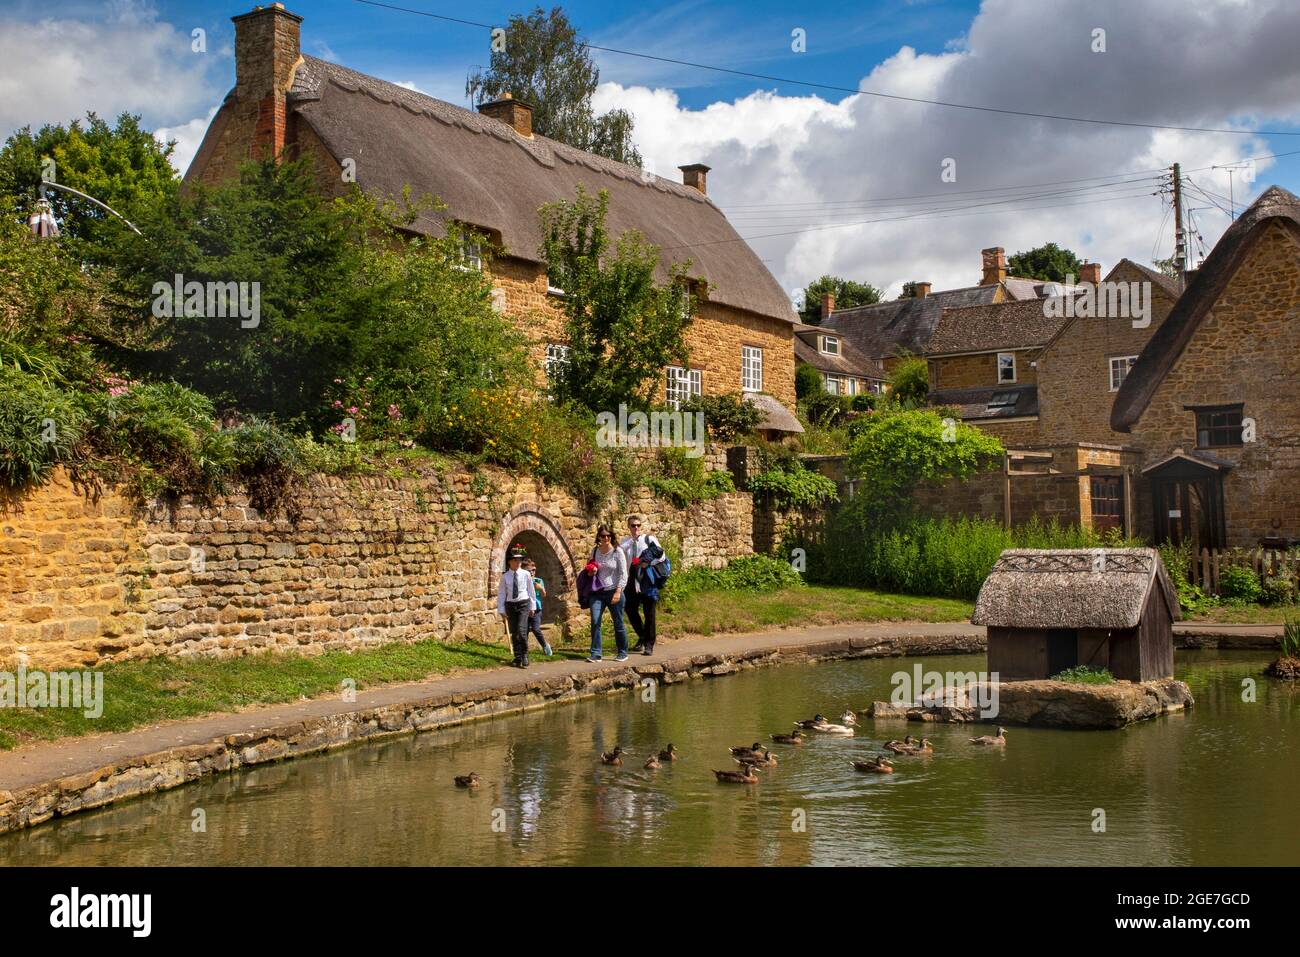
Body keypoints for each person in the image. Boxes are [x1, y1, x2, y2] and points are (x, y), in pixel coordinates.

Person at [620, 516, 665, 656]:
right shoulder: (624, 542)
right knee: (629, 608)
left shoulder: (648, 540)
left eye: (638, 525)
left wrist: (648, 563)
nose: (636, 528)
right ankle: (643, 636)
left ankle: (649, 644)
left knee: (649, 613)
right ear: (628, 526)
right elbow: (621, 561)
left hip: (647, 578)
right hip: (631, 579)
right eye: (633, 526)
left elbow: (661, 556)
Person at [585, 525, 629, 663]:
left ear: (611, 536)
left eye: (608, 535)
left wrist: (618, 591)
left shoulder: (617, 552)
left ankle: (622, 652)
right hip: (597, 592)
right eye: (603, 535)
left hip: (613, 591)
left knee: (618, 623)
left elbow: (623, 574)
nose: (606, 538)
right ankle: (596, 653)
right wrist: (591, 571)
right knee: (595, 621)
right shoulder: (595, 551)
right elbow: (589, 571)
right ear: (598, 537)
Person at [497, 543, 535, 668]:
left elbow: (531, 591)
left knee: (521, 631)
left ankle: (525, 655)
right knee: (514, 632)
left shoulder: (526, 574)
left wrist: (532, 606)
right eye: (515, 560)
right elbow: (502, 593)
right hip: (511, 605)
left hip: (523, 603)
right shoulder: (505, 577)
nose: (518, 562)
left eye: (519, 560)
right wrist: (502, 609)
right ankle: (517, 657)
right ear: (509, 562)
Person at [524, 557, 552, 656]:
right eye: (529, 570)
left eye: (534, 570)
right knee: (525, 630)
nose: (532, 572)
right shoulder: (523, 581)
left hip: (537, 609)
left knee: (536, 629)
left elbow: (544, 595)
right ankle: (524, 651)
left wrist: (540, 589)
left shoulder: (539, 581)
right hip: (525, 609)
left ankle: (545, 645)